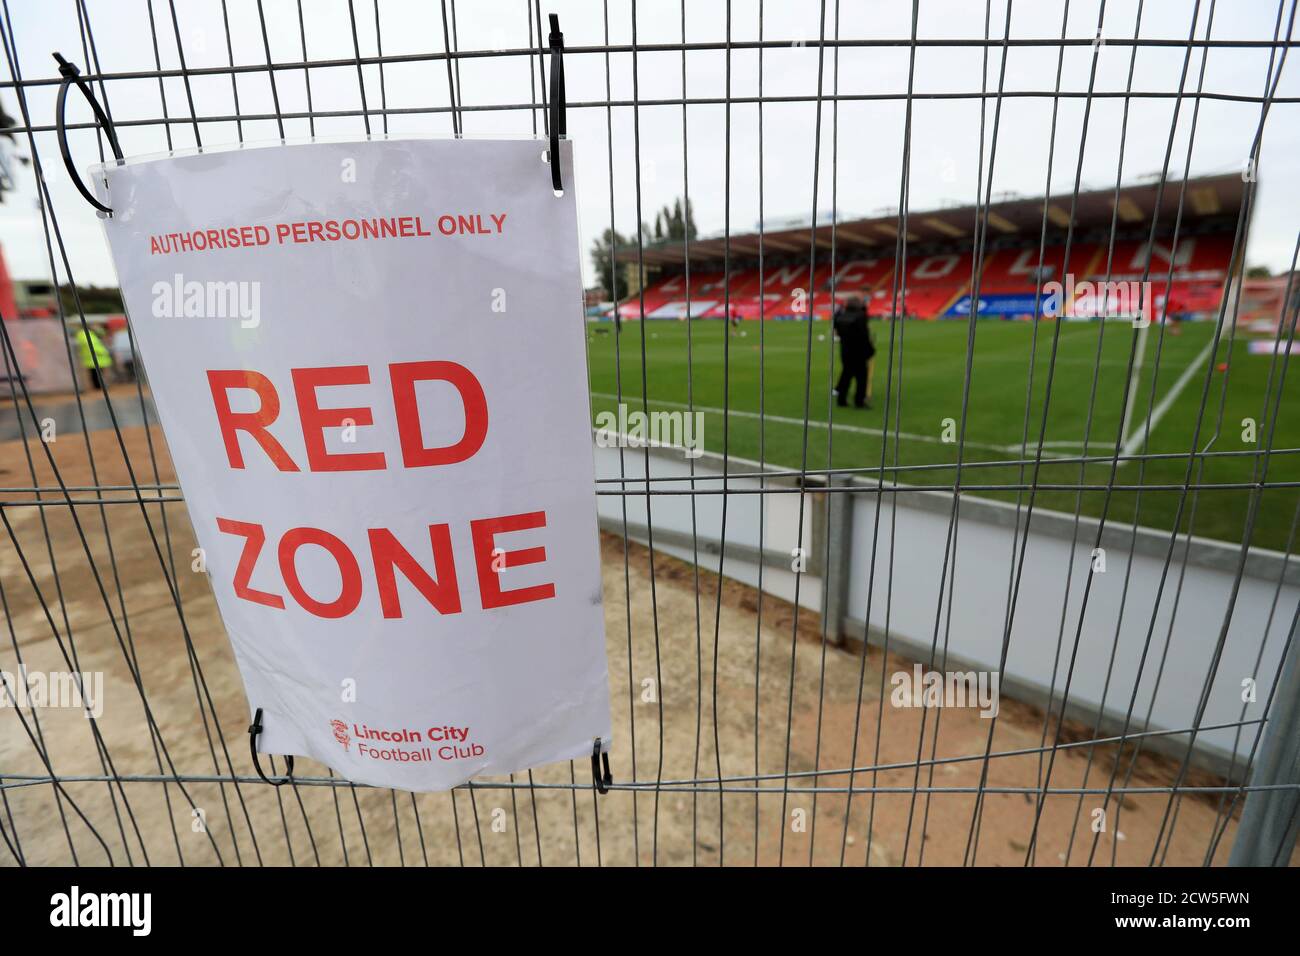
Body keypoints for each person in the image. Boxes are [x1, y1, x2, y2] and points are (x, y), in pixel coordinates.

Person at [833, 294, 874, 408]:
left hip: (845, 351)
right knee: (862, 377)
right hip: (859, 352)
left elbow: (838, 331)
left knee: (846, 374)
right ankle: (859, 401)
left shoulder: (841, 316)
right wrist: (870, 350)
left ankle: (841, 400)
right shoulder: (860, 316)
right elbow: (864, 336)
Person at [73, 324, 111, 391]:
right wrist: (101, 351)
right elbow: (91, 345)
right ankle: (99, 387)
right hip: (95, 358)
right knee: (96, 374)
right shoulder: (84, 334)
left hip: (95, 358)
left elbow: (101, 334)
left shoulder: (87, 334)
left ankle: (99, 386)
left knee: (96, 374)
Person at [107, 316, 135, 382]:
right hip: (126, 353)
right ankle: (128, 379)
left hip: (123, 353)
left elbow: (113, 345)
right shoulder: (121, 334)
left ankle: (127, 379)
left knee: (127, 367)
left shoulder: (118, 334)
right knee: (128, 367)